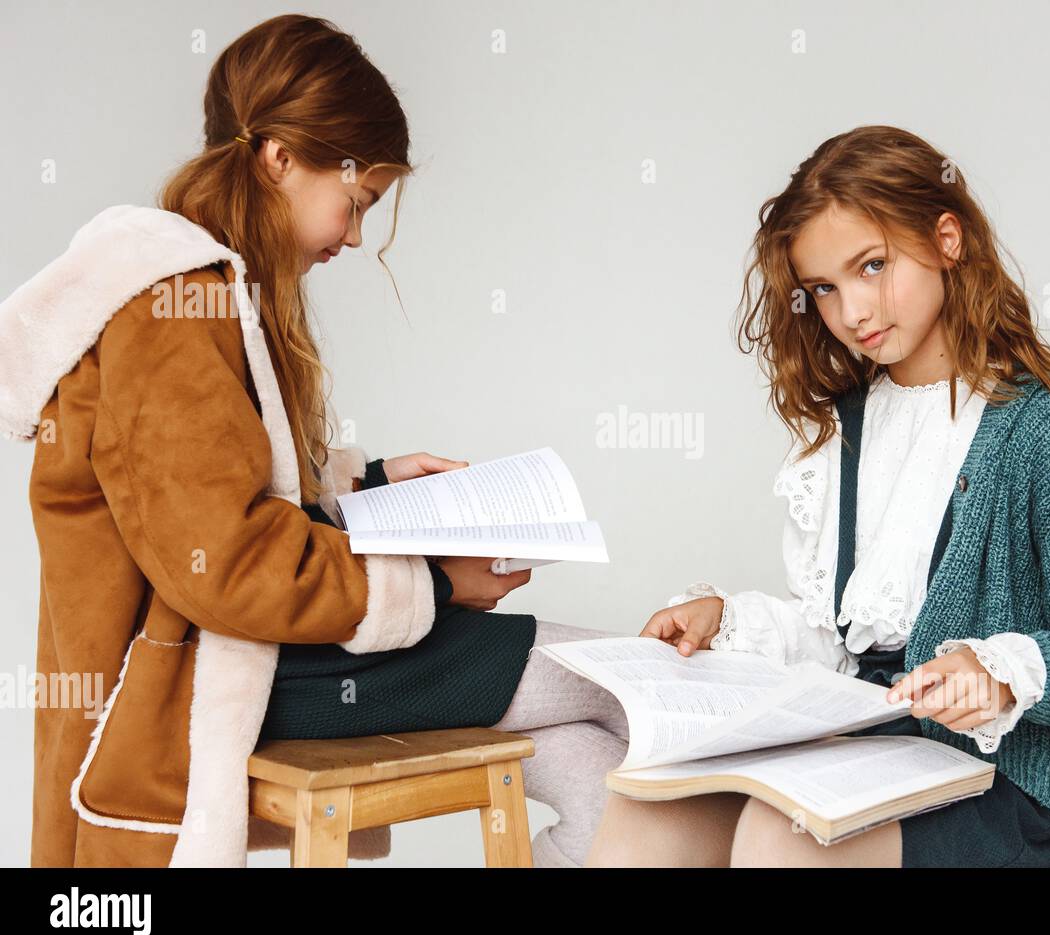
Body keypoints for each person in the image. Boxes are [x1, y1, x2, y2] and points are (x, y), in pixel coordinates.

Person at [1, 14, 625, 868]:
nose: (357, 235)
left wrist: (367, 480)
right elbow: (226, 563)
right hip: (216, 678)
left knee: (593, 761)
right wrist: (436, 583)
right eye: (357, 200)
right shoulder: (172, 303)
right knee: (626, 689)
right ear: (281, 158)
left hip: (256, 656)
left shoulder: (202, 293)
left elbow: (216, 488)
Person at [586, 125, 1050, 868]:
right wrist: (725, 618)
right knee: (648, 807)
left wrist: (998, 671)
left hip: (1005, 782)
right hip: (870, 751)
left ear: (947, 238)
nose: (852, 310)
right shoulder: (850, 424)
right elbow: (842, 639)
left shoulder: (1046, 429)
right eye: (825, 288)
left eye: (872, 266)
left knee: (778, 838)